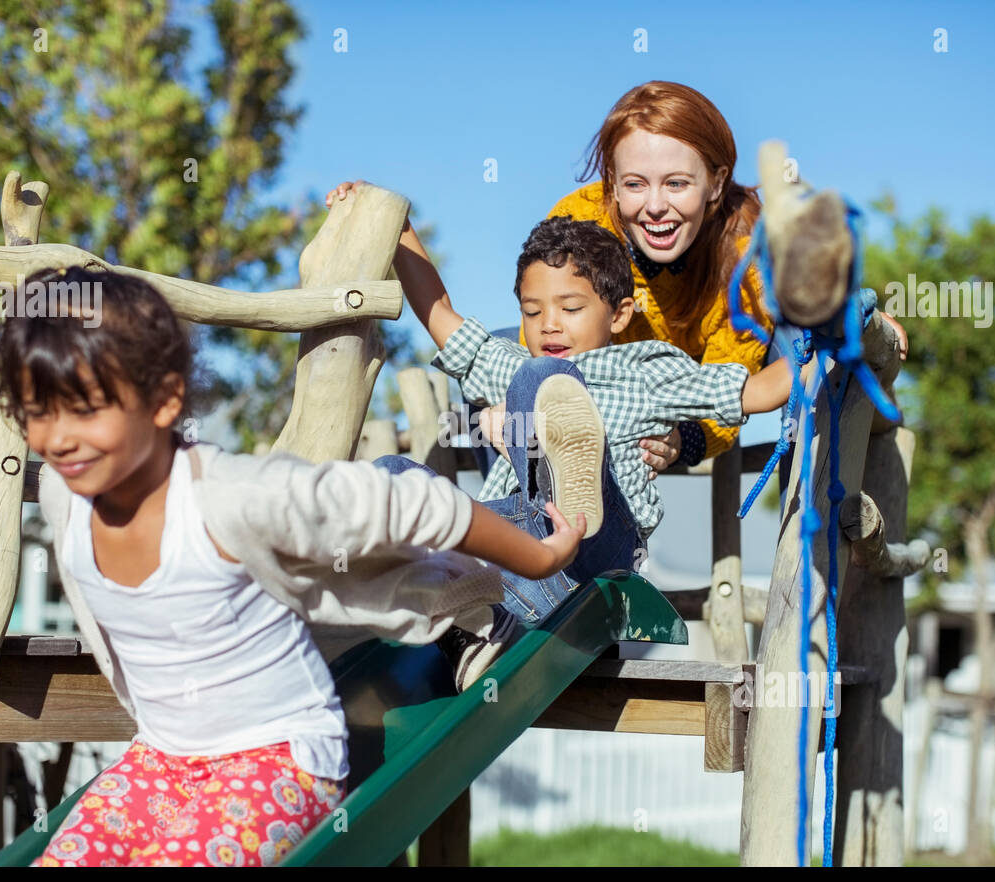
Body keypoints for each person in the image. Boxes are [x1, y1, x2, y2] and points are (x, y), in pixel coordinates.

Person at [0, 266, 584, 866]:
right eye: (37, 411)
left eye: (86, 409)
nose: (59, 437)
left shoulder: (232, 496)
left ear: (164, 398)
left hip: (276, 760)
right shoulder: (68, 497)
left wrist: (541, 557)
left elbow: (407, 502)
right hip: (162, 760)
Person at [327, 82, 907, 479]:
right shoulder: (580, 218)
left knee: (801, 331)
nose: (655, 206)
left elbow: (745, 381)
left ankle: (822, 518)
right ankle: (520, 490)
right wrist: (386, 219)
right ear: (611, 182)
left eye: (677, 184)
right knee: (506, 344)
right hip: (585, 377)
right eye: (635, 185)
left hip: (678, 387)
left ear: (715, 180)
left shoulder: (745, 248)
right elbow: (478, 318)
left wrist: (689, 439)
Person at [331, 181, 796, 641]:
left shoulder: (646, 369)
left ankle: (571, 500)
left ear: (618, 314)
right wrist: (398, 224)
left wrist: (823, 345)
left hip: (597, 562)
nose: (549, 323)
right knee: (391, 474)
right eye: (532, 312)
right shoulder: (511, 365)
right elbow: (440, 314)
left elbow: (755, 391)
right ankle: (462, 613)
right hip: (512, 557)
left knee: (541, 380)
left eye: (570, 307)